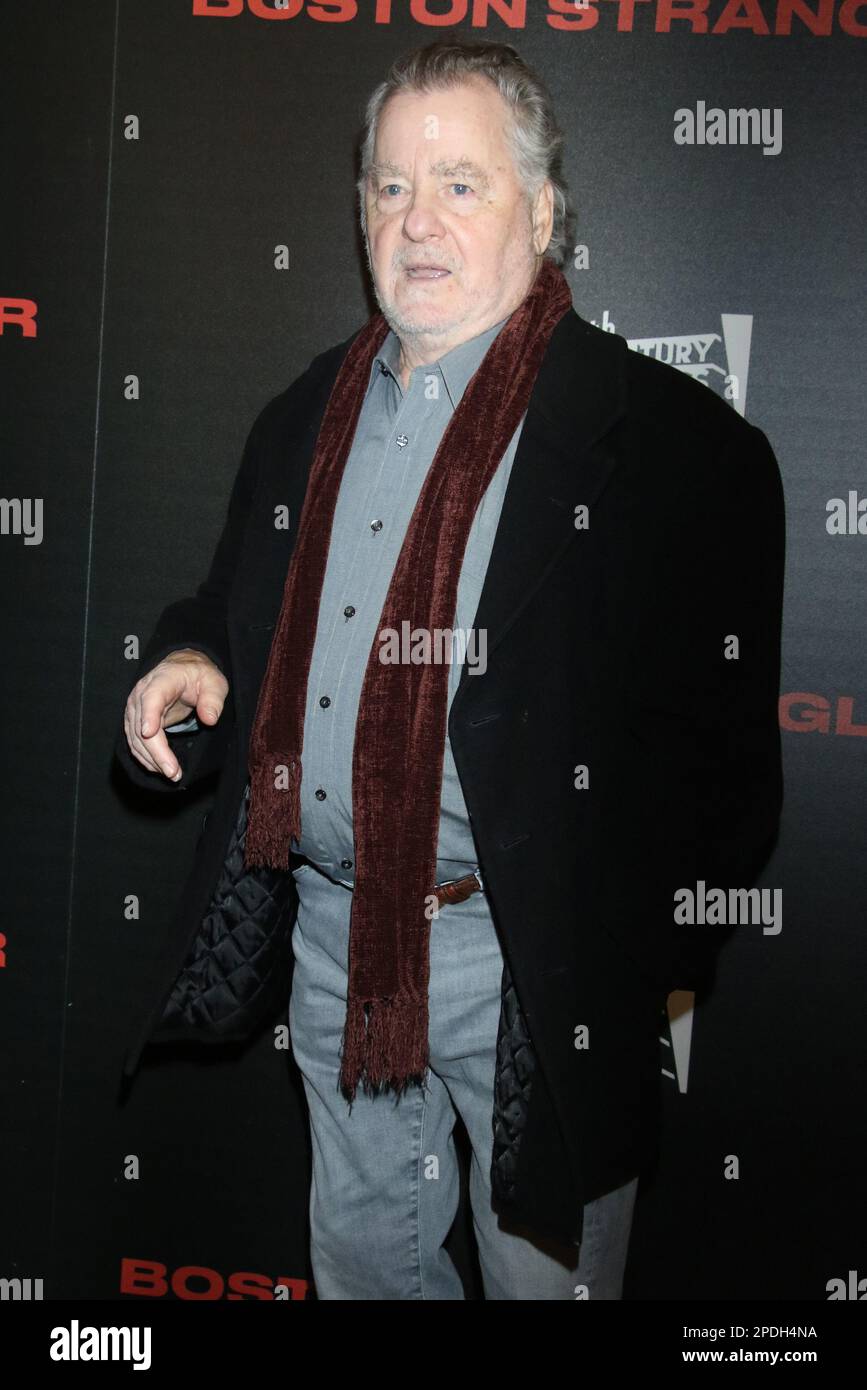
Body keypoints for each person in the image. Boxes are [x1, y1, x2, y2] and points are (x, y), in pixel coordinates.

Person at [116, 38, 785, 1300]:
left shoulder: (674, 449)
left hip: (538, 971)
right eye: (388, 186)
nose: (416, 220)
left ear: (542, 209)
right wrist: (194, 658)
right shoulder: (299, 416)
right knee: (367, 1279)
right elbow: (230, 607)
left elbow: (728, 782)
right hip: (335, 944)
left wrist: (609, 937)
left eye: (461, 184)